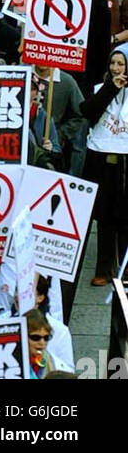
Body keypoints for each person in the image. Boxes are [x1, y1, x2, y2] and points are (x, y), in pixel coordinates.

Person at [81, 45, 128, 284]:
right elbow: (87, 111)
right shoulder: (102, 88)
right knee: (105, 216)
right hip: (102, 160)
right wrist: (111, 88)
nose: (116, 69)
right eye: (113, 64)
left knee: (125, 215)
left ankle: (125, 265)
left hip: (125, 161)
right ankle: (103, 268)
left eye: (121, 64)